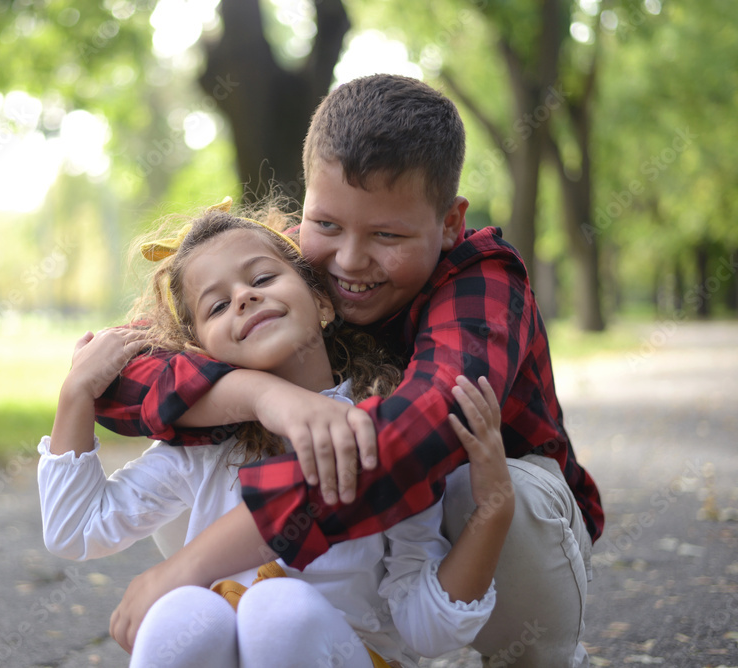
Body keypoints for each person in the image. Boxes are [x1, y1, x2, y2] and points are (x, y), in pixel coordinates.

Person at [100, 75, 603, 667]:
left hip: (490, 512)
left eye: (387, 235)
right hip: (335, 556)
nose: (349, 261)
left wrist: (189, 564)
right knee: (207, 449)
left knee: (481, 486)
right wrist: (257, 394)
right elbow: (115, 371)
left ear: (448, 223)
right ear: (307, 202)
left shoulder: (483, 285)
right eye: (327, 225)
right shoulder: (279, 265)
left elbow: (410, 441)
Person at [37, 206, 514, 667]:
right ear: (202, 350)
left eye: (262, 279)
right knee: (186, 613)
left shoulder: (381, 425)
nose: (243, 297)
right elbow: (76, 528)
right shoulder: (207, 448)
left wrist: (492, 511)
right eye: (218, 305)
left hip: (349, 652)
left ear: (322, 301)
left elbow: (426, 629)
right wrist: (76, 392)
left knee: (278, 610)